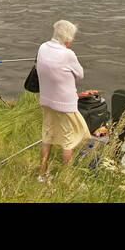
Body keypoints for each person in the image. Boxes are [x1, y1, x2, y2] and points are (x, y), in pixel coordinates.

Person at [36, 19, 89, 181]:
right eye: (72, 37)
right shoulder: (68, 54)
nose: (72, 40)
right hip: (65, 104)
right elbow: (80, 74)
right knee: (69, 140)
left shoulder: (43, 47)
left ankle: (42, 174)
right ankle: (68, 179)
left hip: (46, 100)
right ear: (67, 38)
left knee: (47, 137)